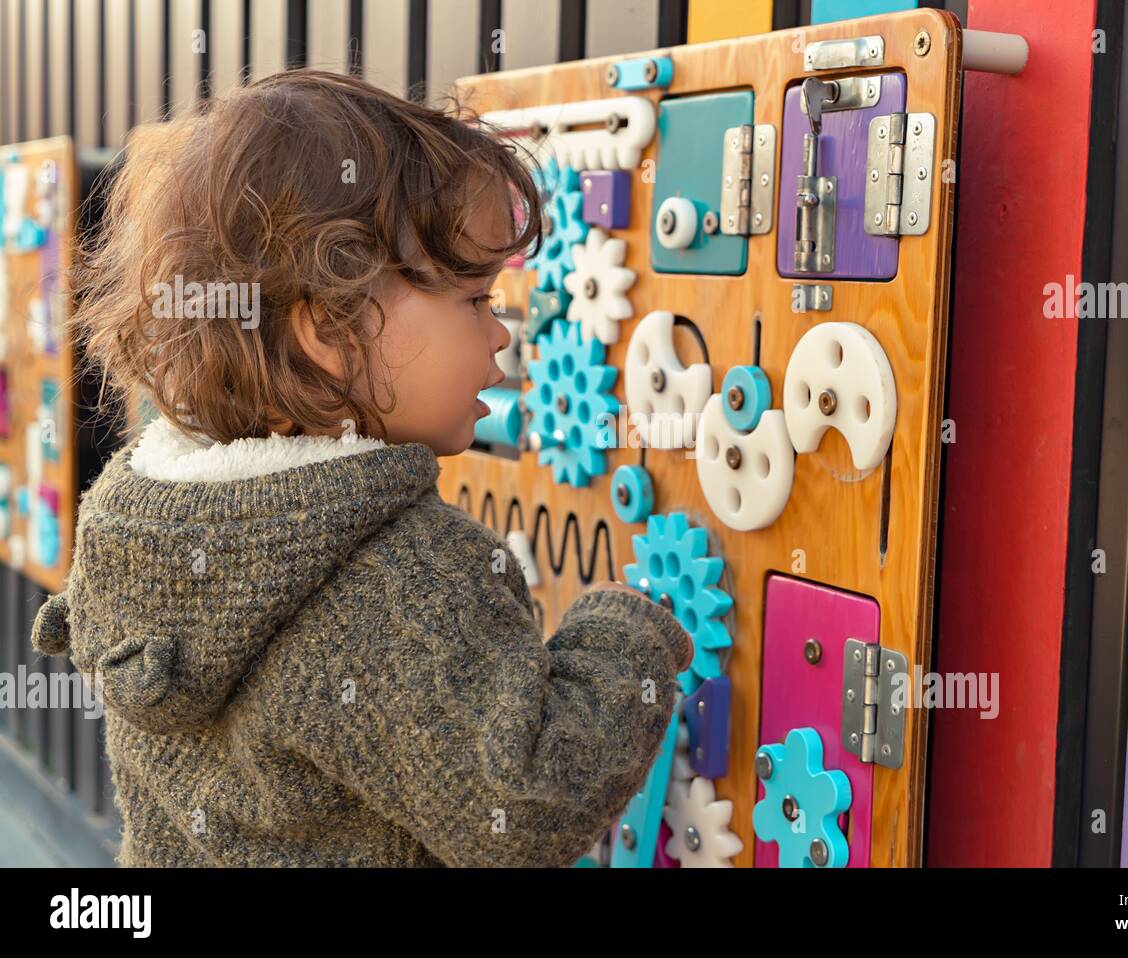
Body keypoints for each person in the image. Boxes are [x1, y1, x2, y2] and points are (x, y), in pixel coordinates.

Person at [29, 69, 692, 867]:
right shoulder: (391, 575)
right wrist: (624, 636)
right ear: (332, 330)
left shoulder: (138, 525)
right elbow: (525, 802)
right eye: (476, 301)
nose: (500, 337)